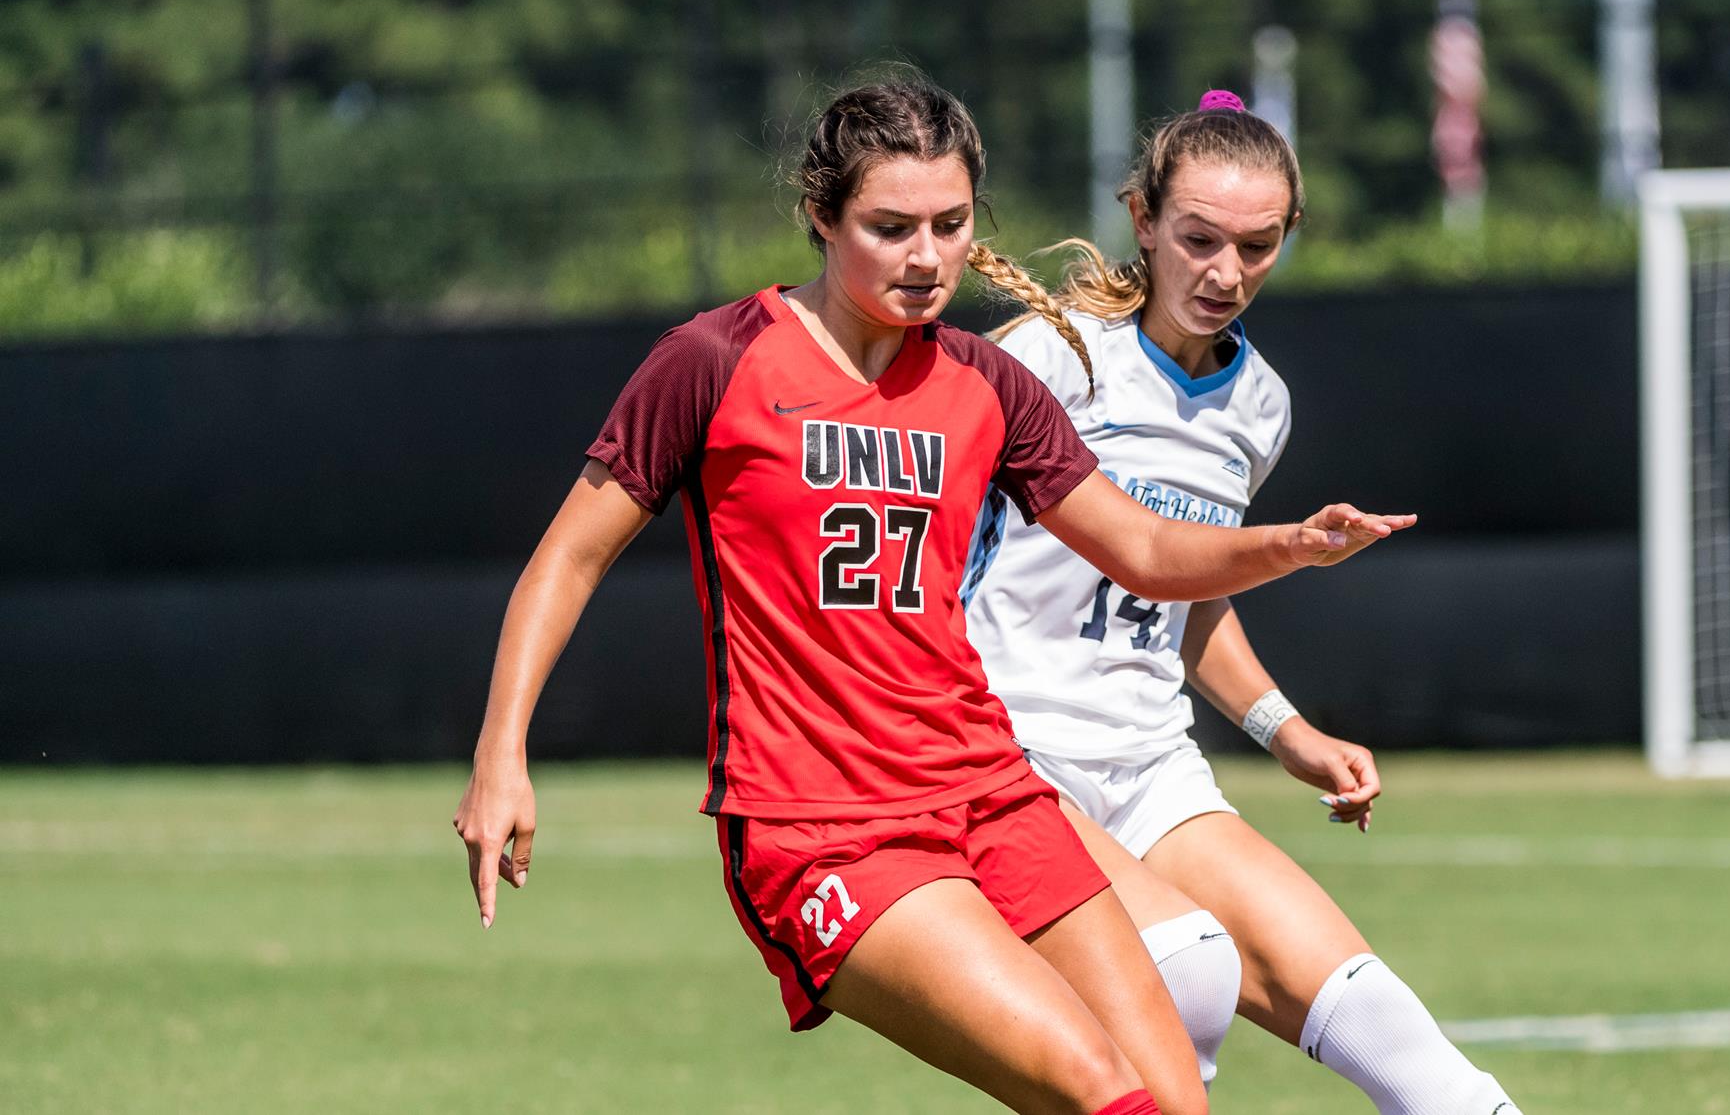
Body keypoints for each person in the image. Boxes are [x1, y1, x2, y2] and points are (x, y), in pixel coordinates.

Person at [451, 74, 1414, 1115]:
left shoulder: (987, 385)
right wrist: (500, 755)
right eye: (889, 226)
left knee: (1172, 1100)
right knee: (1098, 1092)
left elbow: (1137, 548)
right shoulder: (715, 359)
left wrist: (1288, 544)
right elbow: (567, 557)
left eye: (950, 225)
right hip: (821, 827)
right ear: (819, 217)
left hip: (992, 795)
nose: (924, 257)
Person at [963, 91, 1521, 1114]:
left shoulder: (1259, 405)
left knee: (1401, 1042)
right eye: (1198, 239)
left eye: (1256, 247)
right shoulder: (1040, 359)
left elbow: (1184, 593)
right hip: (1010, 760)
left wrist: (1285, 731)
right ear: (1142, 219)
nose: (1224, 274)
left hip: (1148, 766)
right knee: (1190, 974)